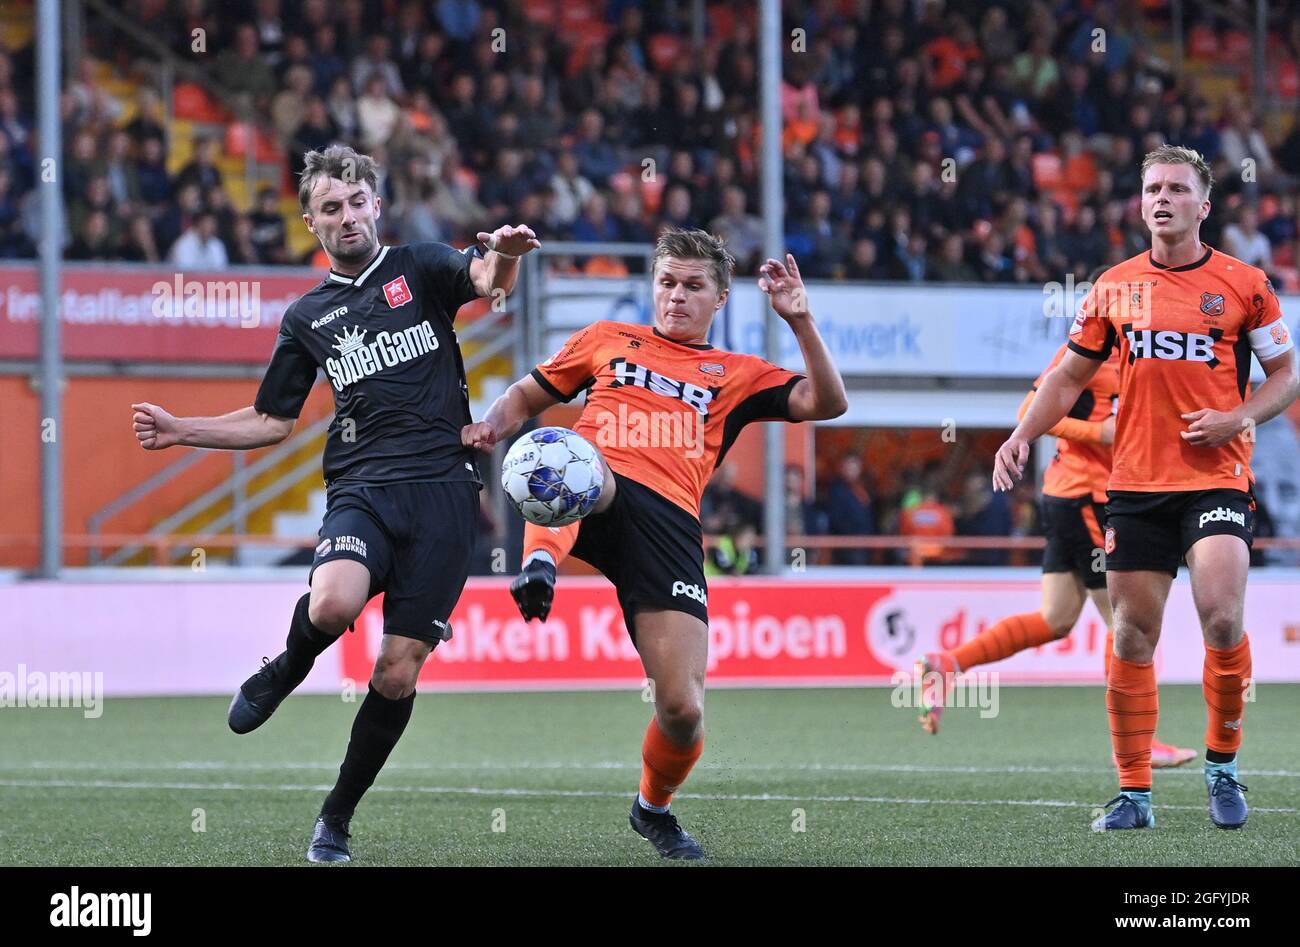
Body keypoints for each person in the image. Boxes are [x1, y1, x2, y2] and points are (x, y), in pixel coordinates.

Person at [131, 144, 540, 862]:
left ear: (375, 206)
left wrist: (504, 254)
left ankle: (336, 818)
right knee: (331, 606)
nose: (347, 216)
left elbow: (485, 279)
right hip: (362, 487)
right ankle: (287, 667)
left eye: (356, 203)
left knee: (396, 672)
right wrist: (180, 431)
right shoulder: (308, 316)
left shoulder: (421, 267)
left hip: (445, 496)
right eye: (330, 208)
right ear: (310, 222)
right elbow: (272, 419)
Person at [463, 229, 847, 859]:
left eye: (693, 286)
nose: (676, 296)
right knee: (562, 457)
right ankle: (538, 563)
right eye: (667, 282)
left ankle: (653, 809)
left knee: (683, 710)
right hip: (602, 483)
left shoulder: (738, 375)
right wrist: (492, 424)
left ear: (720, 298)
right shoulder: (607, 339)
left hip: (668, 523)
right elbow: (528, 395)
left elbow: (826, 401)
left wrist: (801, 321)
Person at [994, 145, 1299, 831]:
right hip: (1134, 486)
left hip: (1217, 476)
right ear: (1140, 202)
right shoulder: (1113, 287)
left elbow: (1287, 375)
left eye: (1177, 189)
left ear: (1204, 204)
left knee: (1222, 615)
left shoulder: (1246, 284)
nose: (1162, 198)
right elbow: (1068, 379)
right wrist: (1020, 436)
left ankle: (1224, 768)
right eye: (1152, 188)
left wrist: (1240, 416)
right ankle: (1134, 795)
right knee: (1133, 632)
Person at [918, 342, 1198, 768]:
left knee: (1057, 618)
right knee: (1127, 621)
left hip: (1073, 495)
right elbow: (1030, 408)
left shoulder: (1154, 357)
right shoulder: (1094, 356)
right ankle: (1140, 742)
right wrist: (1098, 432)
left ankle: (950, 663)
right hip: (1088, 495)